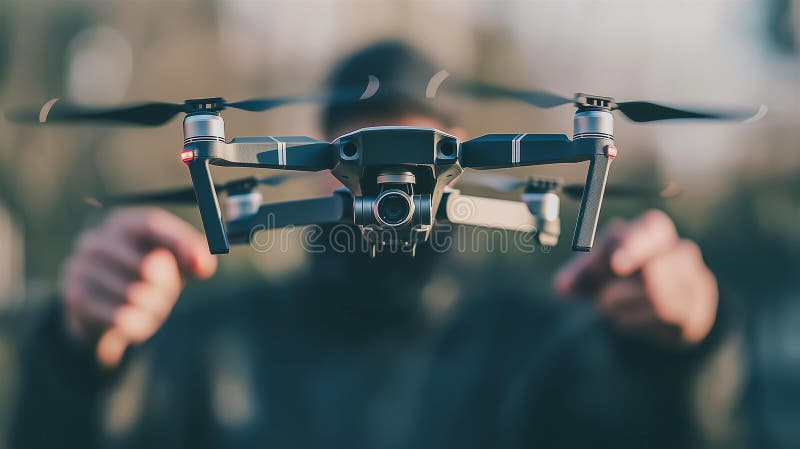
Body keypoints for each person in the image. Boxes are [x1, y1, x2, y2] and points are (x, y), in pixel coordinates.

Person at [12, 41, 723, 449]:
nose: (393, 188)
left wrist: (680, 358)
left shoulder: (551, 346)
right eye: (363, 155)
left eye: (420, 157)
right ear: (318, 160)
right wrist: (80, 354)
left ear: (463, 162)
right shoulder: (206, 345)